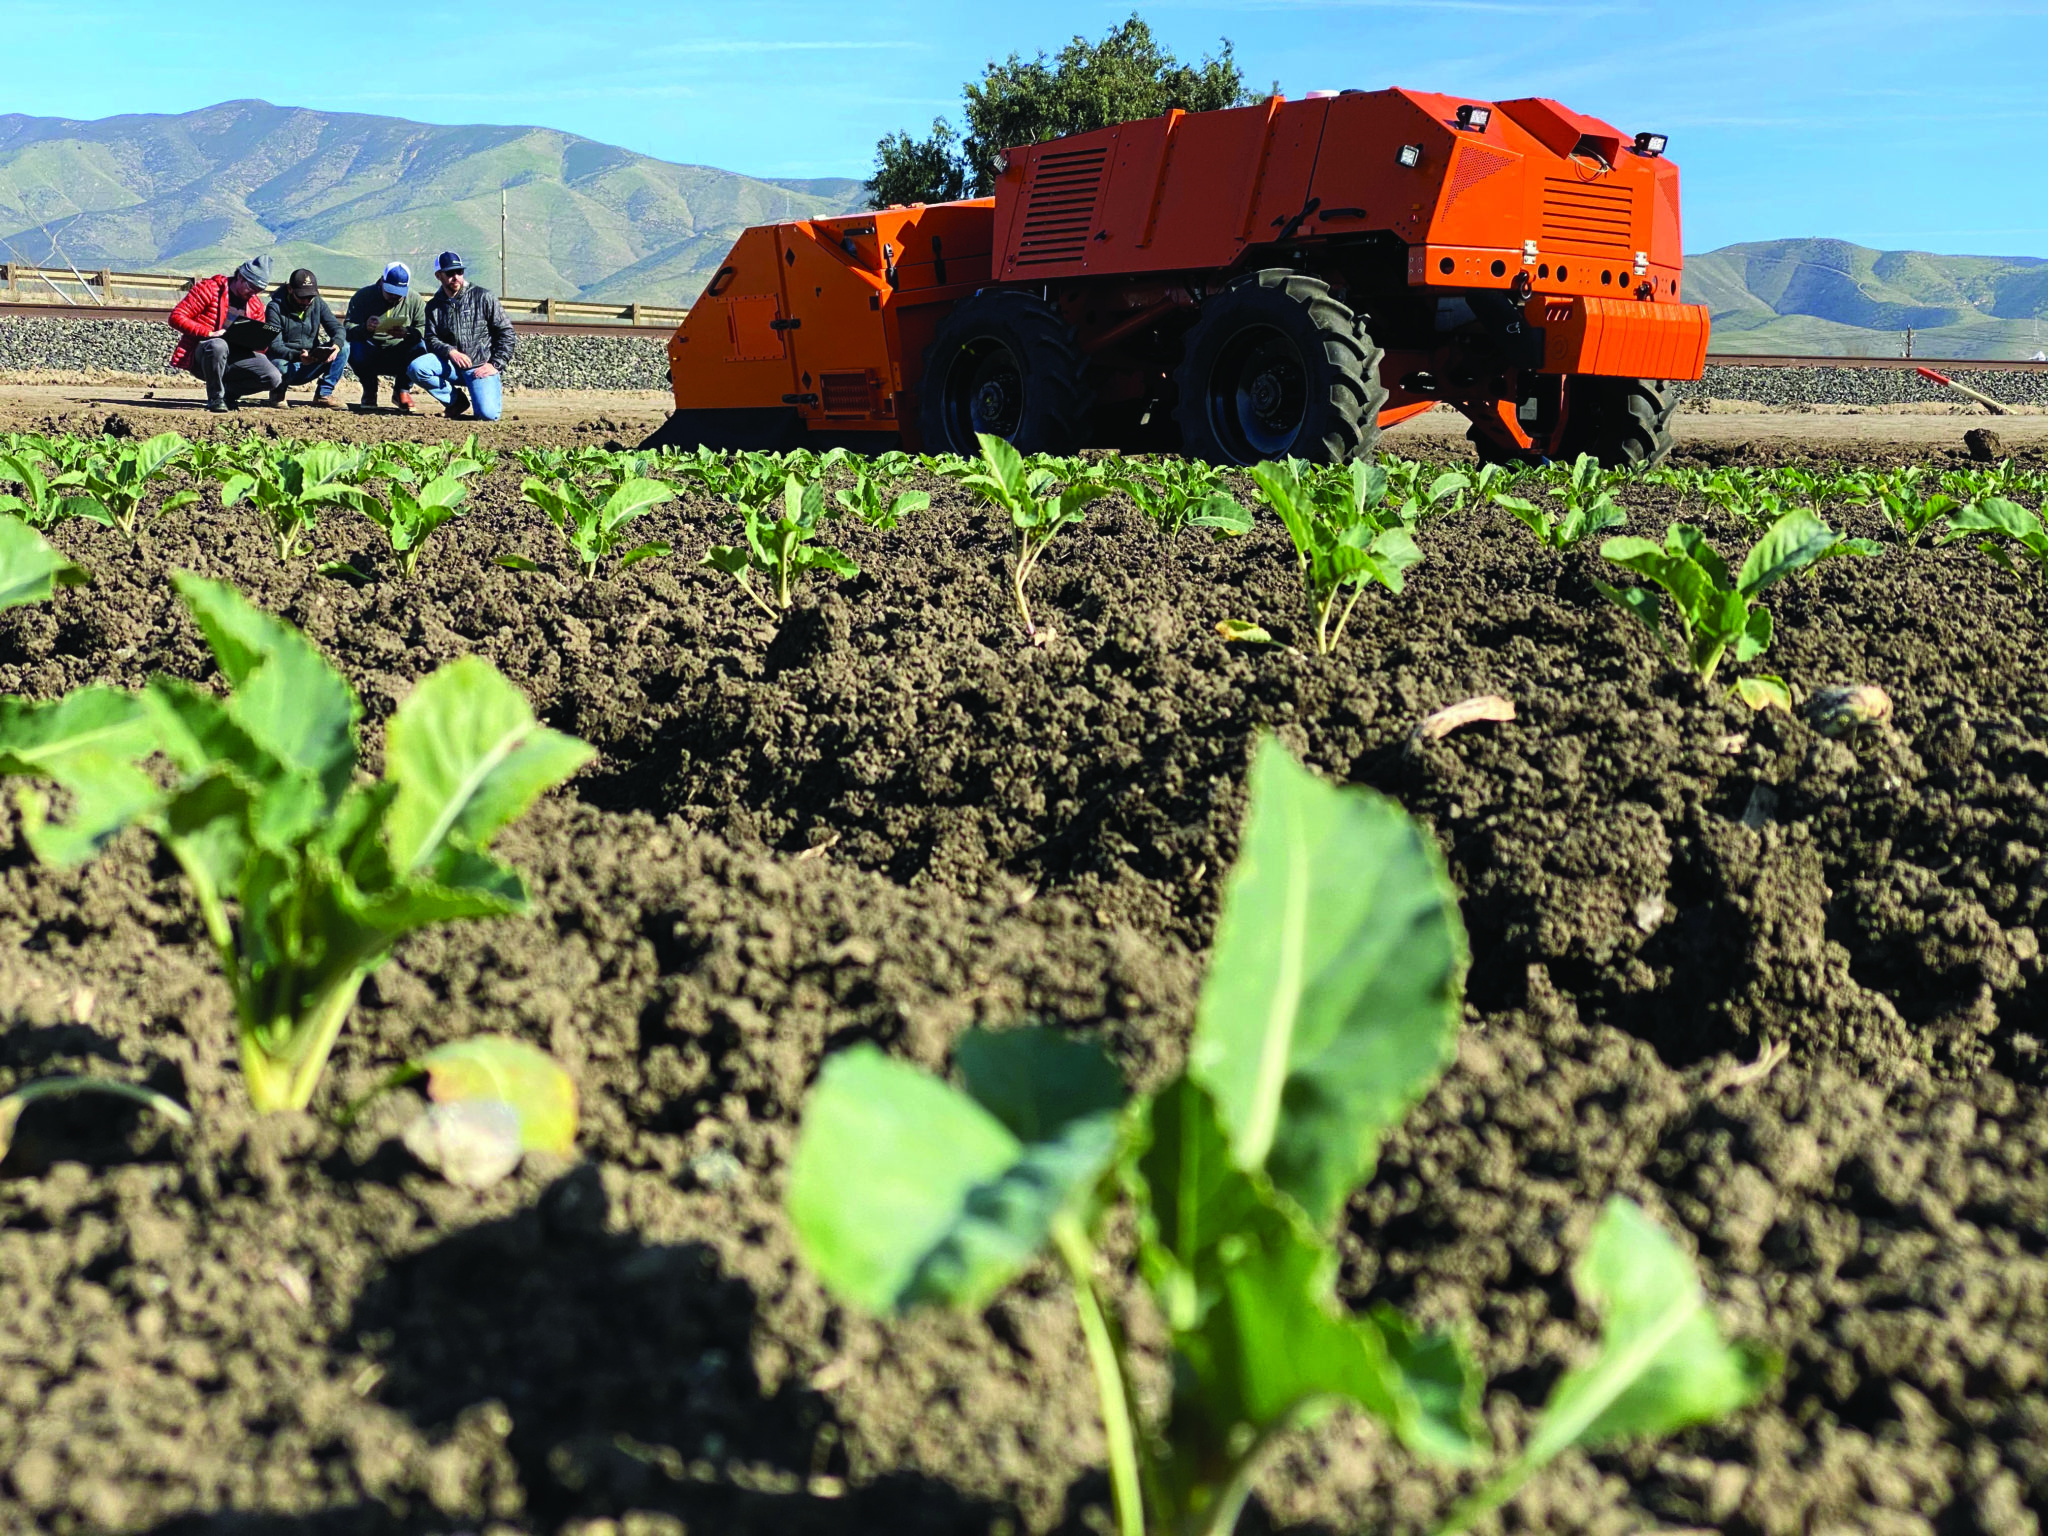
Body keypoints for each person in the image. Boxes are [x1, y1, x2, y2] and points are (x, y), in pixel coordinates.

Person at [167, 255, 282, 413]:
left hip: (236, 356)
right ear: (241, 277)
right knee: (218, 344)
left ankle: (229, 395)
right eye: (252, 287)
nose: (254, 293)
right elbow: (176, 317)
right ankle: (215, 398)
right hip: (205, 352)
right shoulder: (209, 289)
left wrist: (257, 342)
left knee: (273, 377)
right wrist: (209, 333)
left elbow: (259, 347)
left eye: (259, 290)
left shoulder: (255, 305)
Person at [412, 251, 515, 421]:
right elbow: (430, 339)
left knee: (487, 416)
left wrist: (495, 364)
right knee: (417, 368)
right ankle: (455, 401)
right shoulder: (433, 306)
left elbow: (506, 332)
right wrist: (451, 351)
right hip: (451, 364)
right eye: (450, 273)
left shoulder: (483, 297)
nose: (456, 277)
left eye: (459, 272)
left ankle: (482, 393)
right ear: (438, 275)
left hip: (479, 367)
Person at [344, 262, 427, 413]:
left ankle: (402, 390)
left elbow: (424, 329)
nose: (394, 296)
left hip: (399, 352)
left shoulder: (415, 300)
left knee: (420, 347)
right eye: (390, 291)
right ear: (382, 281)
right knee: (353, 347)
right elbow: (348, 328)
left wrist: (408, 333)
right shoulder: (363, 297)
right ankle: (369, 390)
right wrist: (365, 328)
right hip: (370, 349)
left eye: (399, 293)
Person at [263, 268, 347, 408]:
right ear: (290, 289)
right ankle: (278, 392)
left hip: (311, 361)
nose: (307, 301)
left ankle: (323, 394)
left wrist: (336, 345)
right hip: (287, 363)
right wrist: (298, 356)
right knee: (279, 366)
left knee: (345, 347)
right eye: (302, 297)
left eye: (310, 297)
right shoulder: (274, 308)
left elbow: (337, 328)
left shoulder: (317, 303)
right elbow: (275, 345)